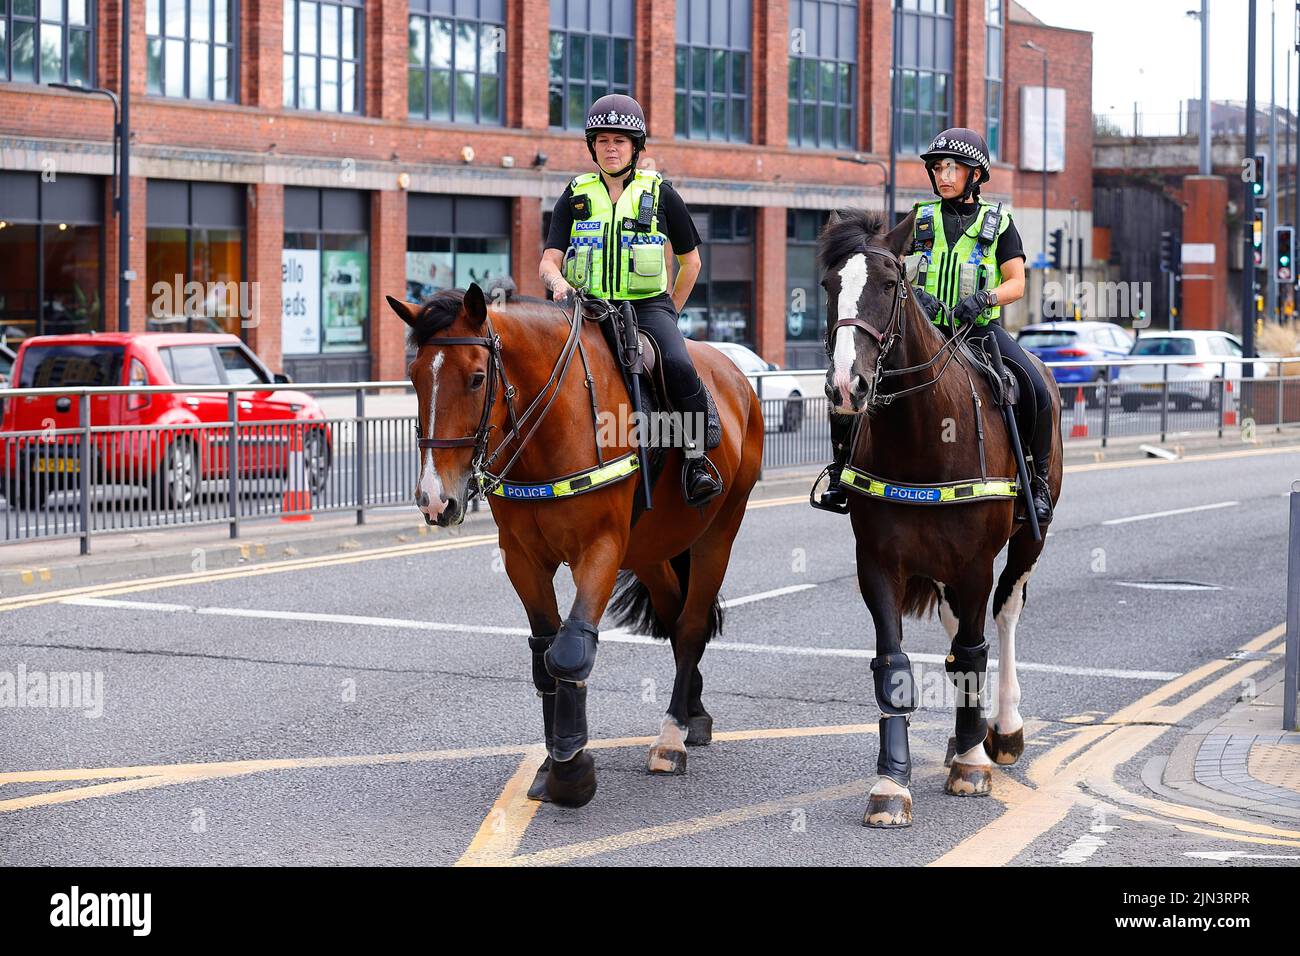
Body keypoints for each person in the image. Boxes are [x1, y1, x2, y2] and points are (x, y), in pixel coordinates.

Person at [816, 127, 1055, 526]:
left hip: (978, 331)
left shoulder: (1000, 222)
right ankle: (842, 473)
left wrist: (985, 298)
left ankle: (1038, 480)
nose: (943, 175)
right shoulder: (919, 219)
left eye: (953, 168)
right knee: (849, 381)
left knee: (1033, 387)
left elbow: (1017, 282)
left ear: (975, 175)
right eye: (939, 167)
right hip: (922, 333)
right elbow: (884, 262)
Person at [539, 93, 722, 506]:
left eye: (620, 140)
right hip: (585, 306)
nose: (611, 147)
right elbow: (549, 261)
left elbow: (690, 262)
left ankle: (696, 460)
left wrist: (670, 310)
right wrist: (556, 283)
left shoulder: (661, 195)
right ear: (592, 147)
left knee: (676, 362)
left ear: (636, 147)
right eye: (602, 140)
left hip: (648, 307)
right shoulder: (574, 195)